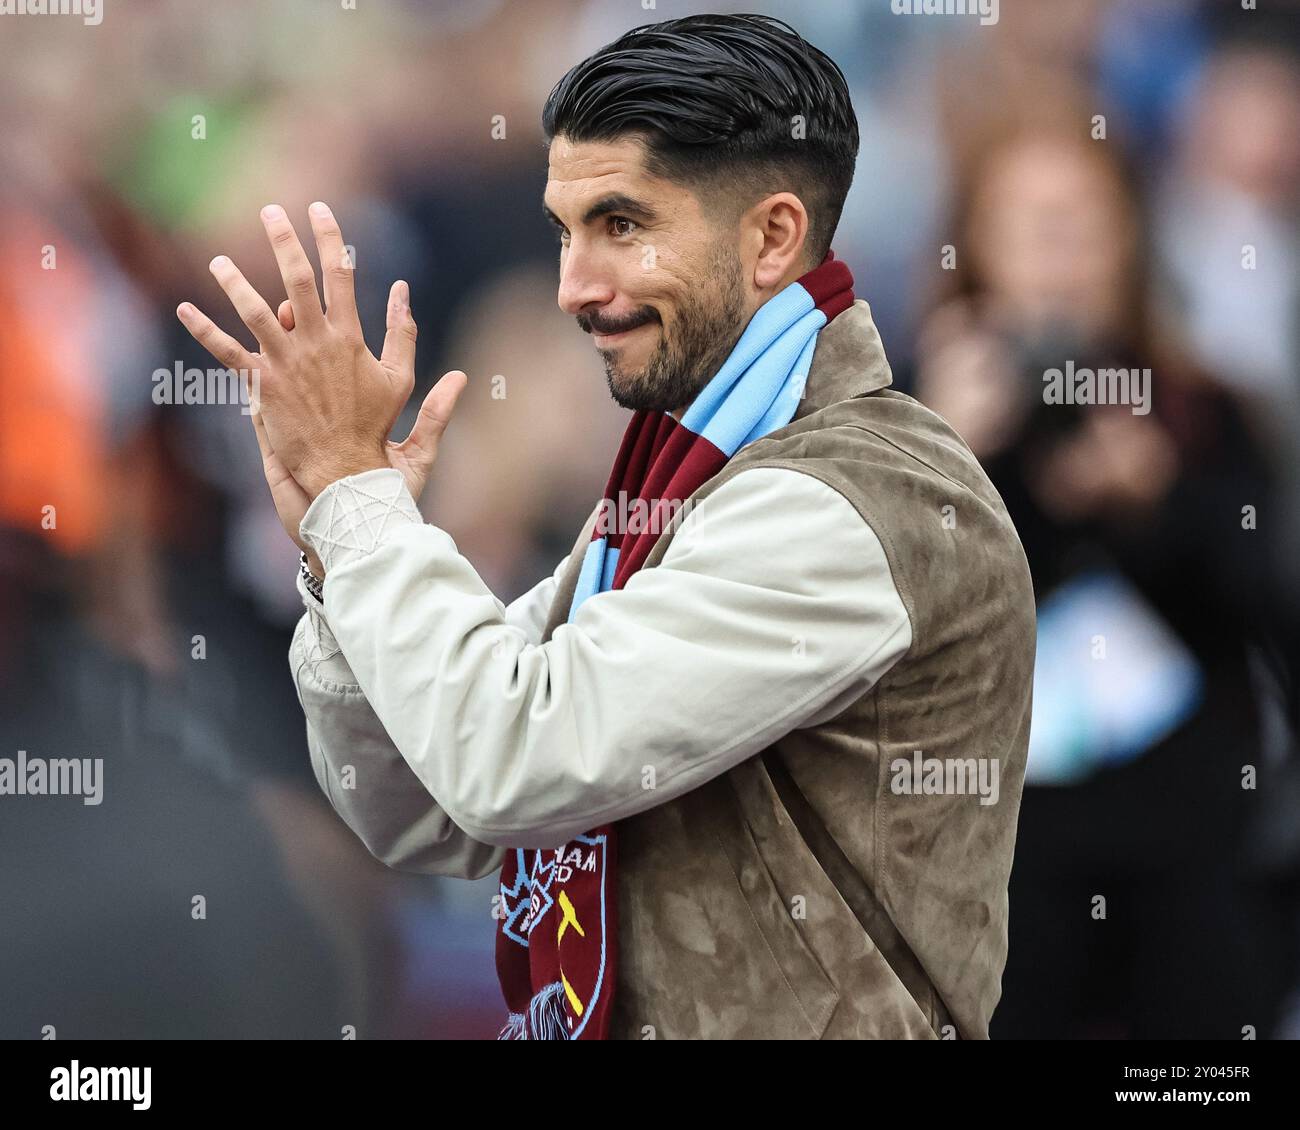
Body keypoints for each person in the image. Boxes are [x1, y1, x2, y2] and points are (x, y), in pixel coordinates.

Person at [177, 14, 1035, 1040]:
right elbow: (416, 803)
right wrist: (342, 542)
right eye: (564, 229)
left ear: (770, 236)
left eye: (622, 226)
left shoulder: (852, 497)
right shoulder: (683, 479)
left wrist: (361, 501)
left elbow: (513, 760)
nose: (573, 287)